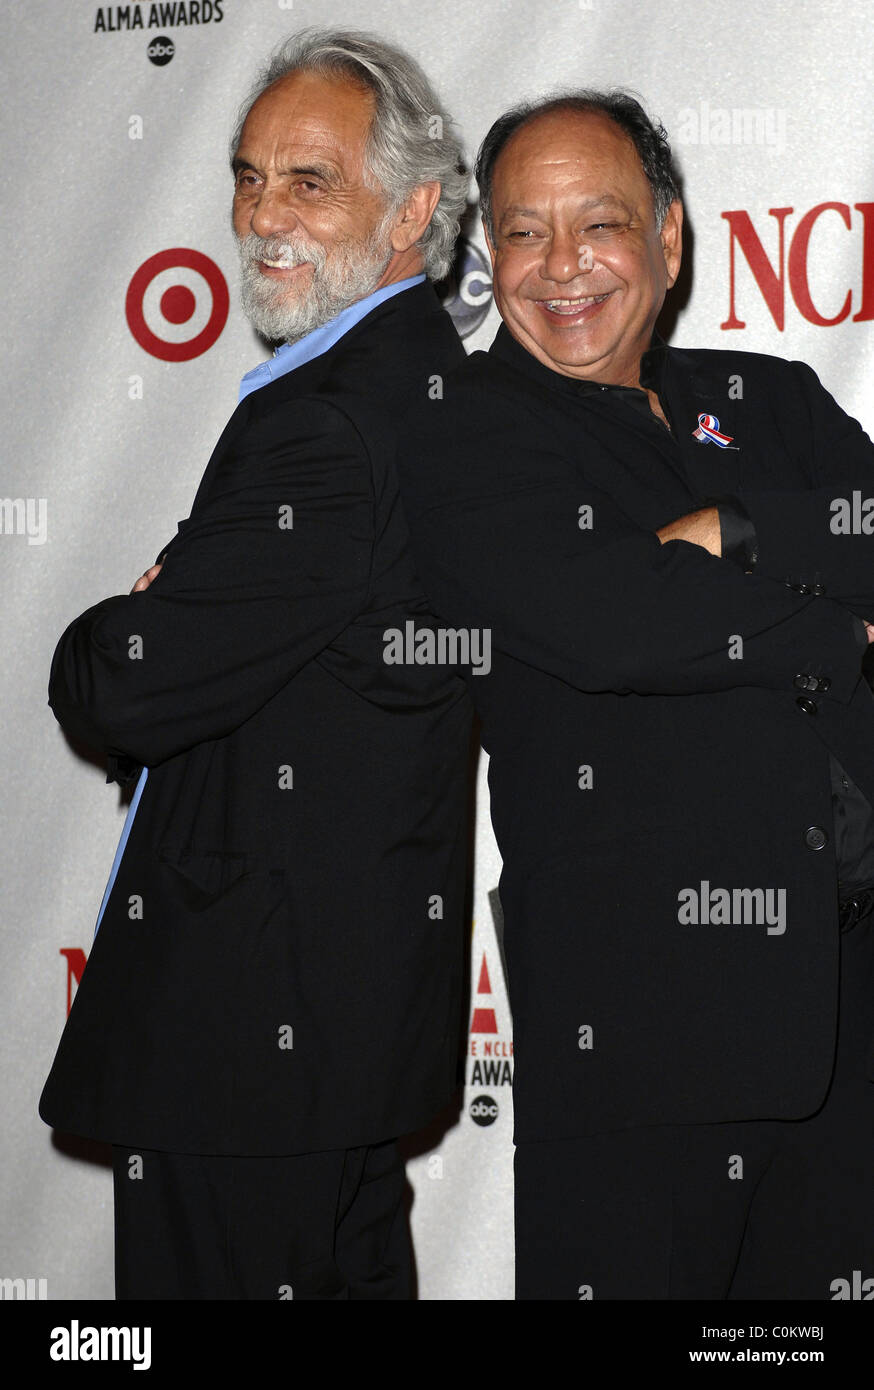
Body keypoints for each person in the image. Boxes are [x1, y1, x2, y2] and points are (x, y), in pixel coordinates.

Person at [397, 91, 874, 1299]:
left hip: (850, 1001)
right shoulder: (457, 431)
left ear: (668, 239)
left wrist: (735, 525)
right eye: (520, 232)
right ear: (481, 254)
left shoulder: (768, 398)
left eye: (599, 224)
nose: (561, 267)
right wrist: (842, 624)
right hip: (648, 1024)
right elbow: (618, 623)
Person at [40, 28, 472, 1301]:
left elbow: (126, 681)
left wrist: (106, 629)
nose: (261, 216)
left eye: (309, 181)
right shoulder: (421, 383)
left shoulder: (327, 423)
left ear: (415, 210)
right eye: (247, 176)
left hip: (242, 1045)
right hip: (334, 1039)